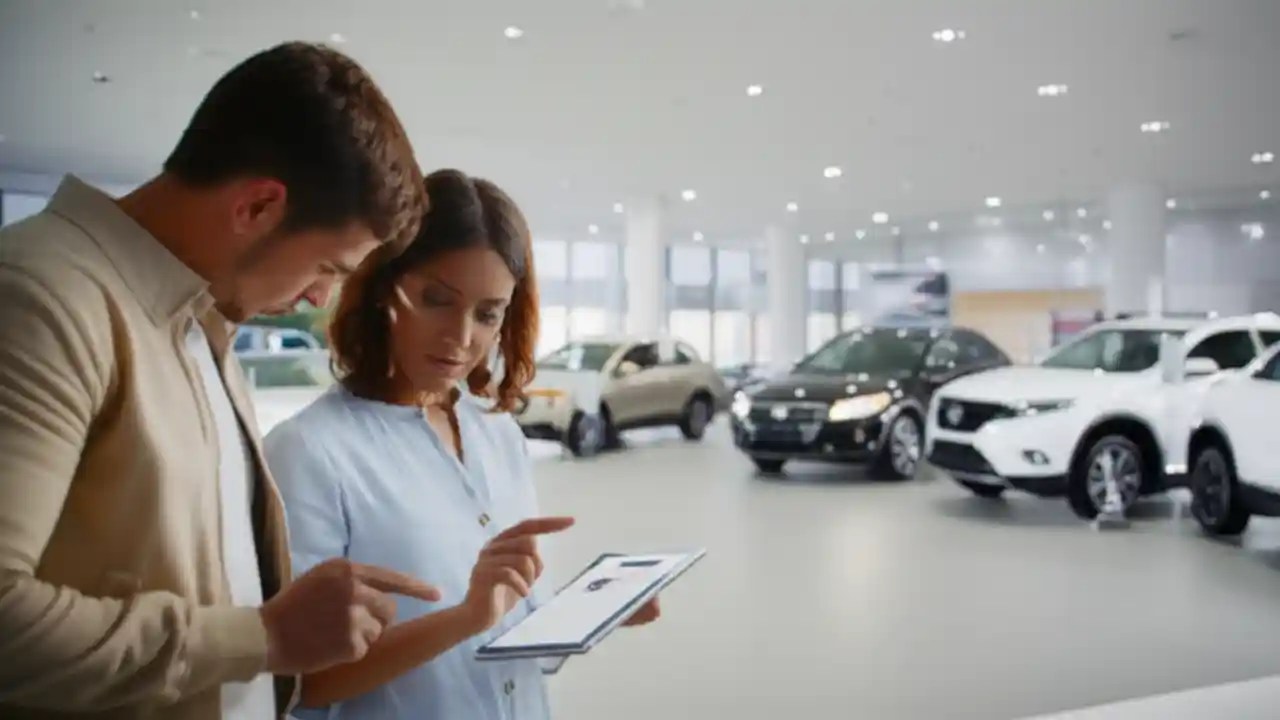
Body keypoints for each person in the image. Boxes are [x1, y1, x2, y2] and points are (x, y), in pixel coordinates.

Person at [0, 43, 438, 720]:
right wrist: (262, 637)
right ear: (259, 208)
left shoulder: (199, 321)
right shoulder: (42, 297)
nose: (322, 296)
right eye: (330, 264)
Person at [263, 169, 659, 719]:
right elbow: (302, 680)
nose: (462, 335)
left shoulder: (497, 434)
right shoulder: (308, 451)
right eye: (436, 299)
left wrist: (590, 613)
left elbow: (512, 622)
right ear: (384, 290)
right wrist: (467, 617)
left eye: (487, 313)